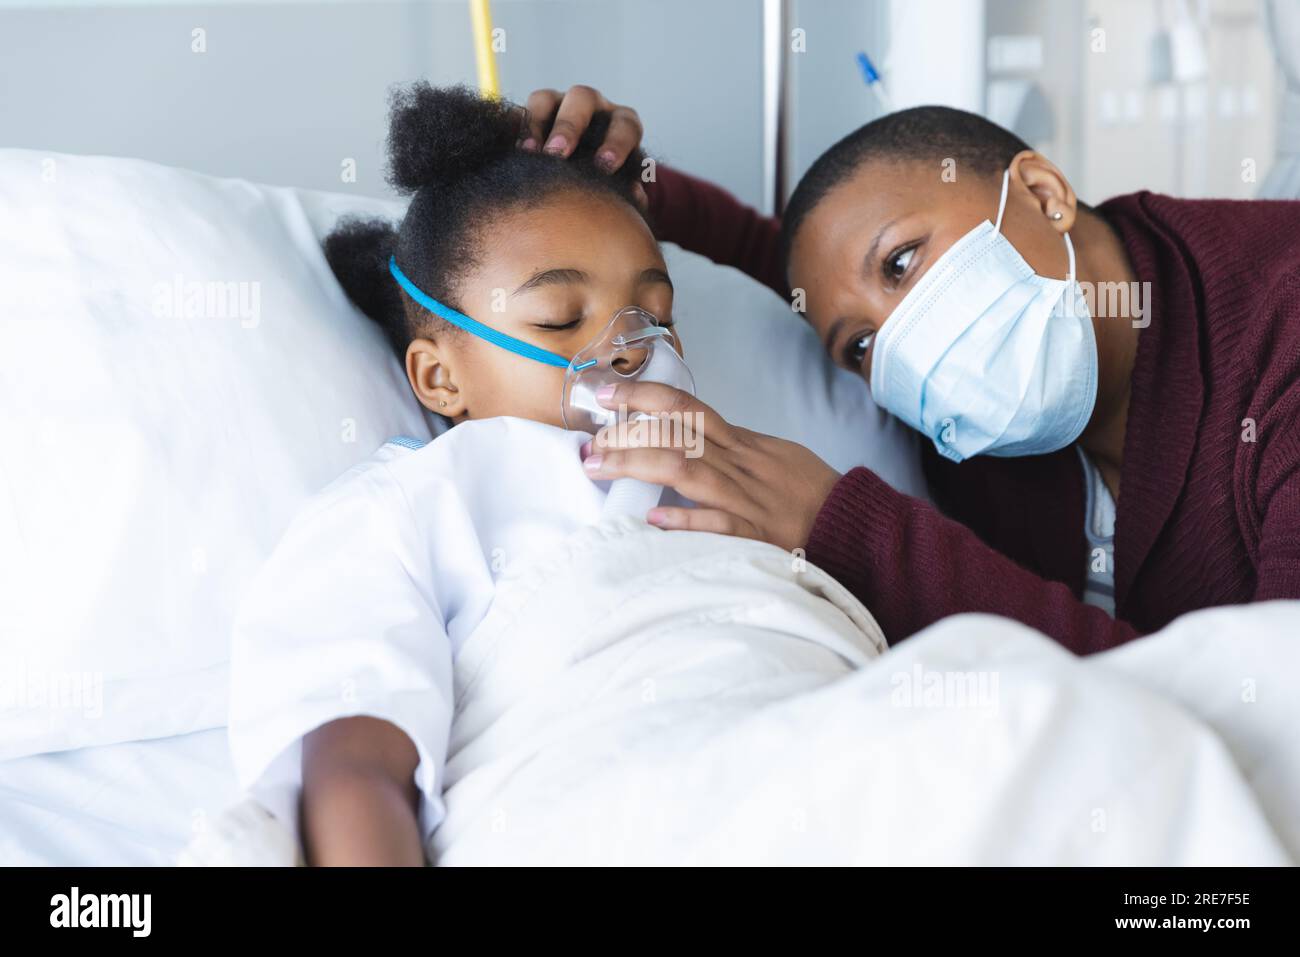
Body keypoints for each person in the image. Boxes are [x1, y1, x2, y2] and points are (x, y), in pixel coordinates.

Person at [522, 85, 1300, 654]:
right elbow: (796, 268)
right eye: (859, 347)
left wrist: (859, 535)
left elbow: (1260, 714)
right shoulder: (966, 411)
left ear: (1042, 193)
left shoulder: (1280, 329)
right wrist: (617, 181)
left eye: (902, 261)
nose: (909, 346)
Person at [229, 82, 686, 865]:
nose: (628, 348)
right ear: (441, 380)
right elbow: (357, 770)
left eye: (657, 313)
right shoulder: (412, 506)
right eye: (559, 319)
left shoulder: (733, 469)